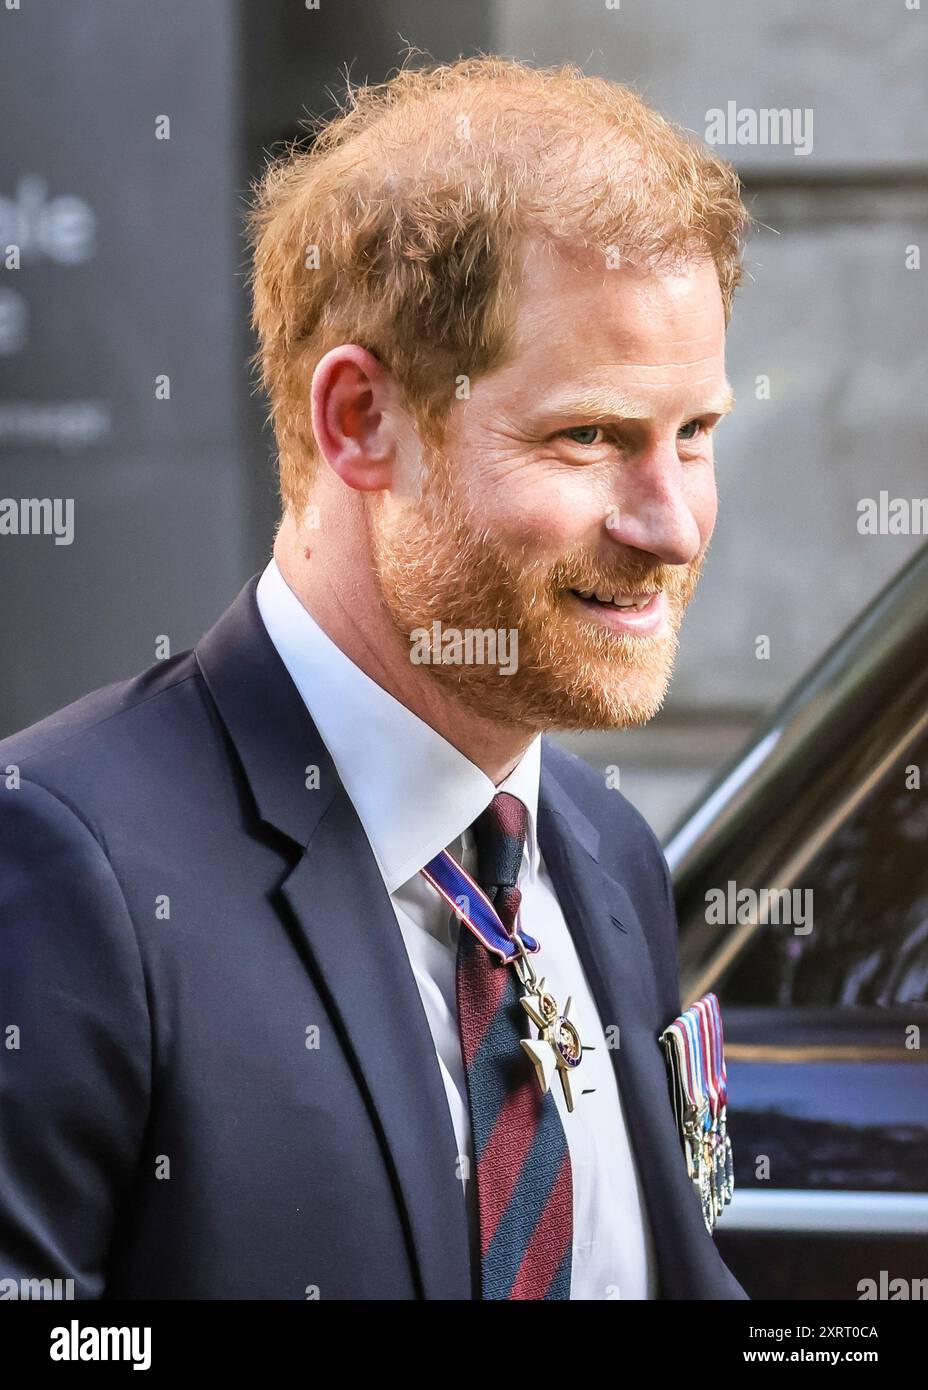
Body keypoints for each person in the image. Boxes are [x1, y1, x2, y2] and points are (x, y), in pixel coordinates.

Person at [0, 55, 750, 1300]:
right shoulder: (63, 868)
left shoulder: (606, 852)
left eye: (696, 434)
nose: (670, 524)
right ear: (359, 421)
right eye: (589, 436)